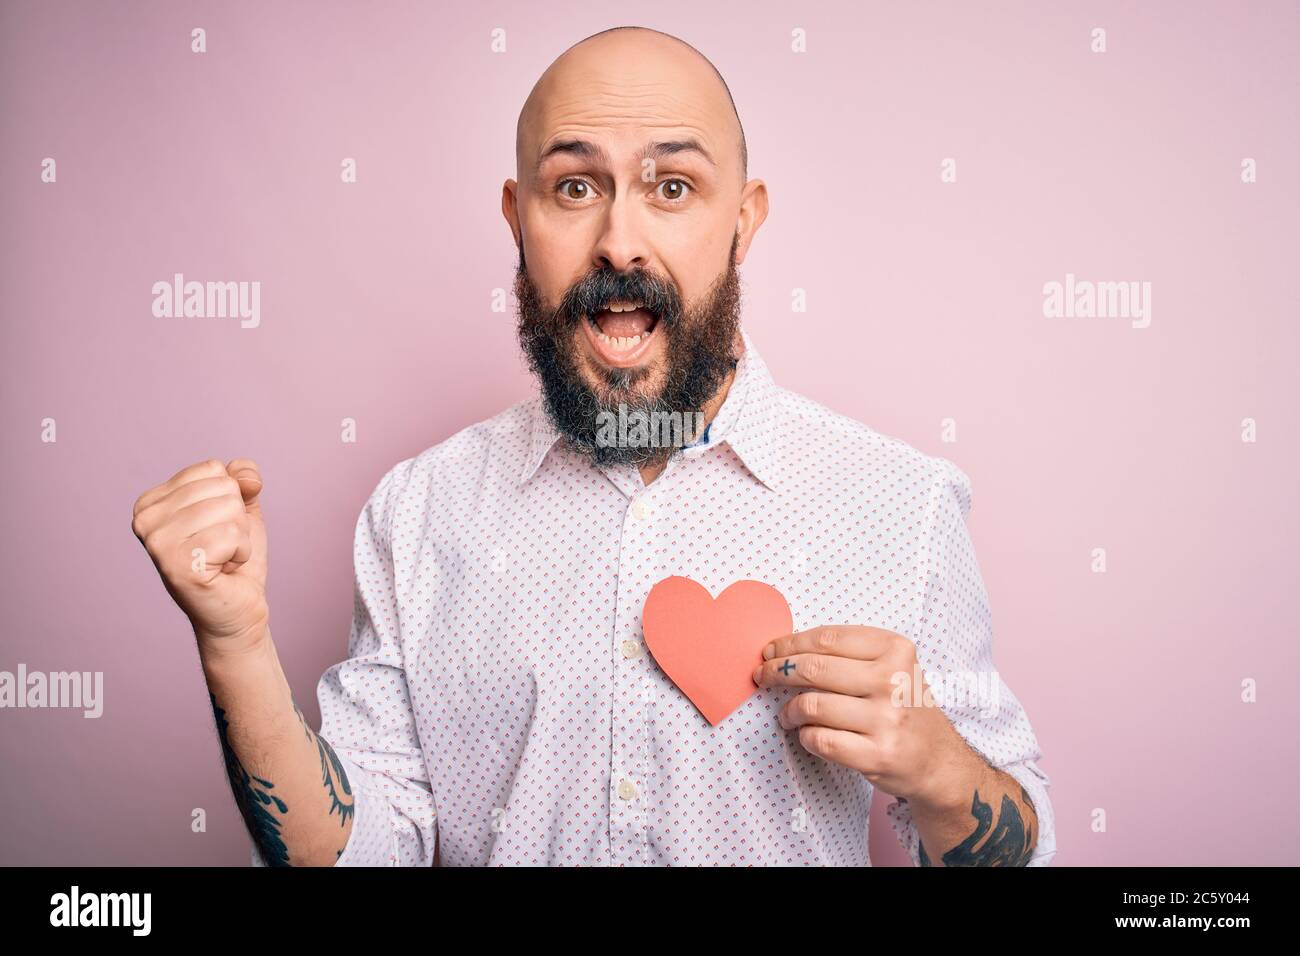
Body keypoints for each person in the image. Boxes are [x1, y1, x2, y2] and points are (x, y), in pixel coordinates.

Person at [131, 26, 1054, 867]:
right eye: (575, 187)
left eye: (673, 187)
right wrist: (236, 645)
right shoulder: (418, 512)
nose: (620, 242)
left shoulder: (901, 502)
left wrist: (941, 772)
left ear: (745, 218)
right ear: (516, 217)